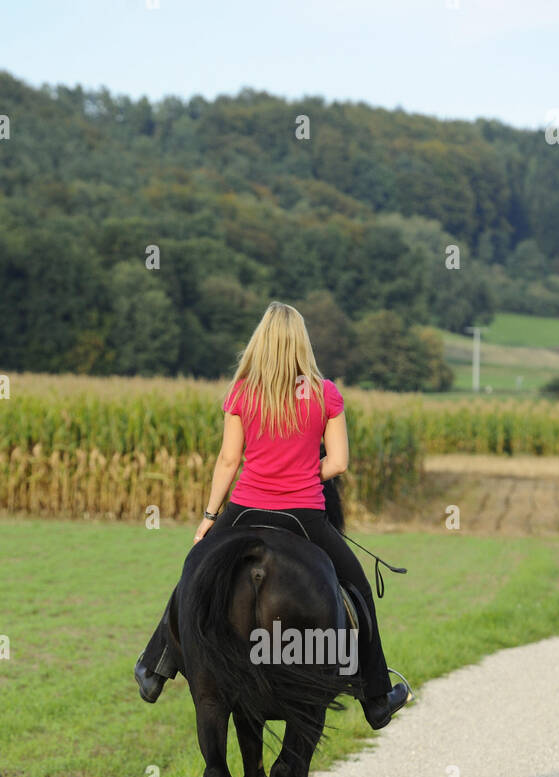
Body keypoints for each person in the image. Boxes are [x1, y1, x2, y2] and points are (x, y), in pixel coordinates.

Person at [134, 301, 409, 730]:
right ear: (302, 343)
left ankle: (155, 667)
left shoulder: (243, 391)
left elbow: (228, 460)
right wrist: (301, 472)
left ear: (259, 341)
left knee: (194, 570)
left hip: (245, 508)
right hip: (305, 515)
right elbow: (338, 463)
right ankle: (376, 698)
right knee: (357, 589)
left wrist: (209, 515)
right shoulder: (325, 393)